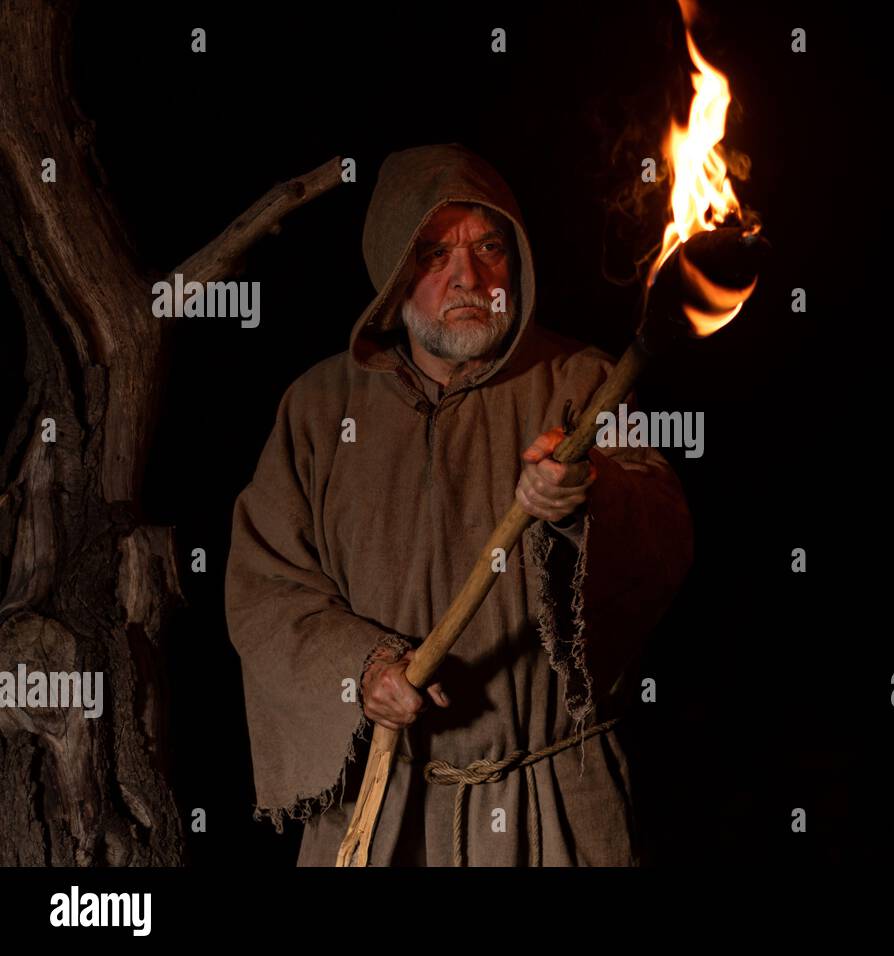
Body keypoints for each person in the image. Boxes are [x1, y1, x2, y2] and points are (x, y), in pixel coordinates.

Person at [225, 143, 694, 866]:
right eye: (433, 254)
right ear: (391, 273)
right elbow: (266, 590)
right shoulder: (319, 409)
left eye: (489, 248)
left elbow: (665, 536)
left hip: (552, 808)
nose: (467, 277)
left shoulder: (582, 384)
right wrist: (365, 669)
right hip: (382, 813)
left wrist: (583, 499)